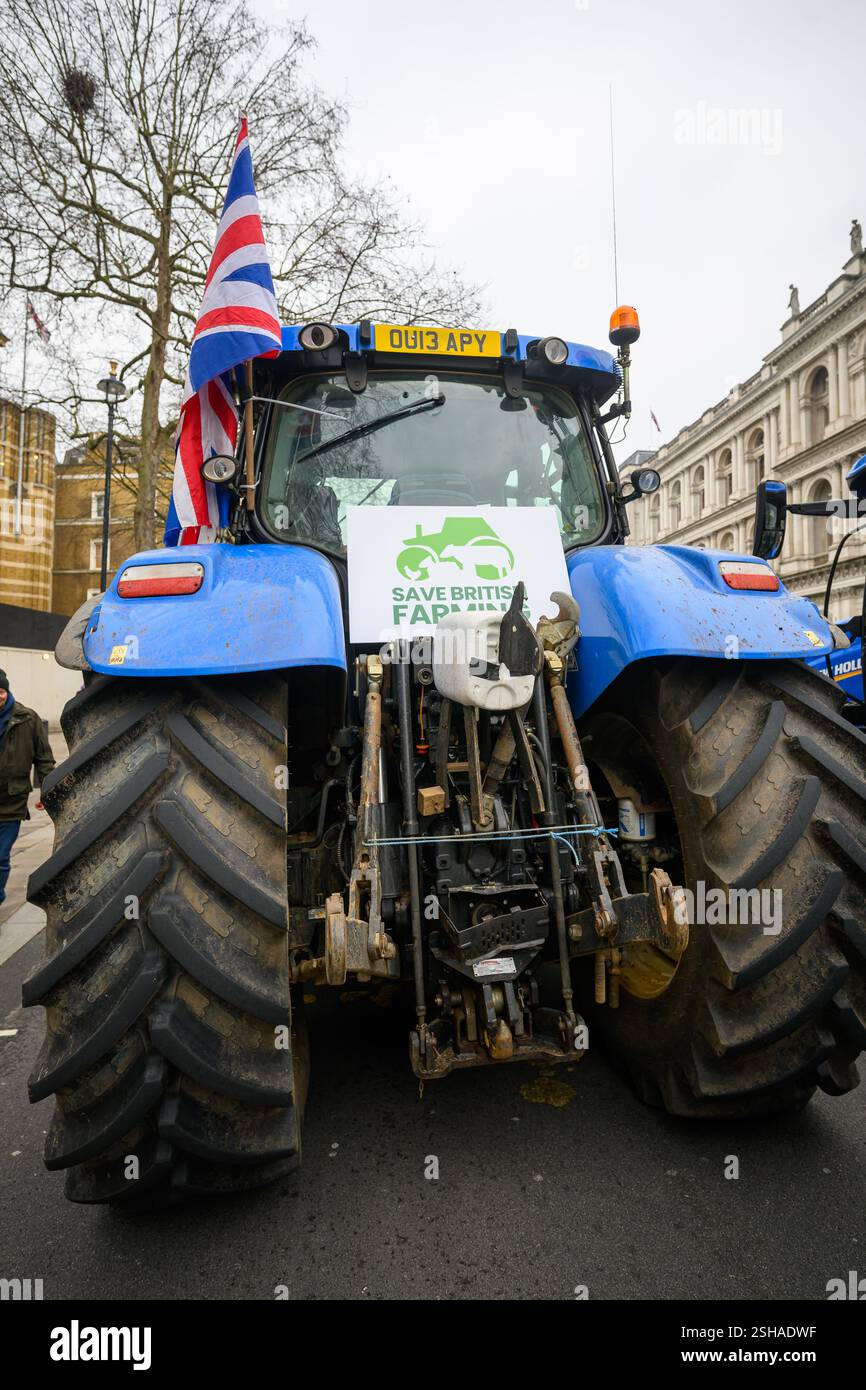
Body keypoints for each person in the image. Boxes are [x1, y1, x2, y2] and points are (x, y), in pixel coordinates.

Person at [0, 670, 55, 907]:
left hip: (11, 801)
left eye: (0, 691)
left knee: (0, 858)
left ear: (7, 690)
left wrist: (47, 790)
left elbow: (44, 759)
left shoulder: (28, 718)